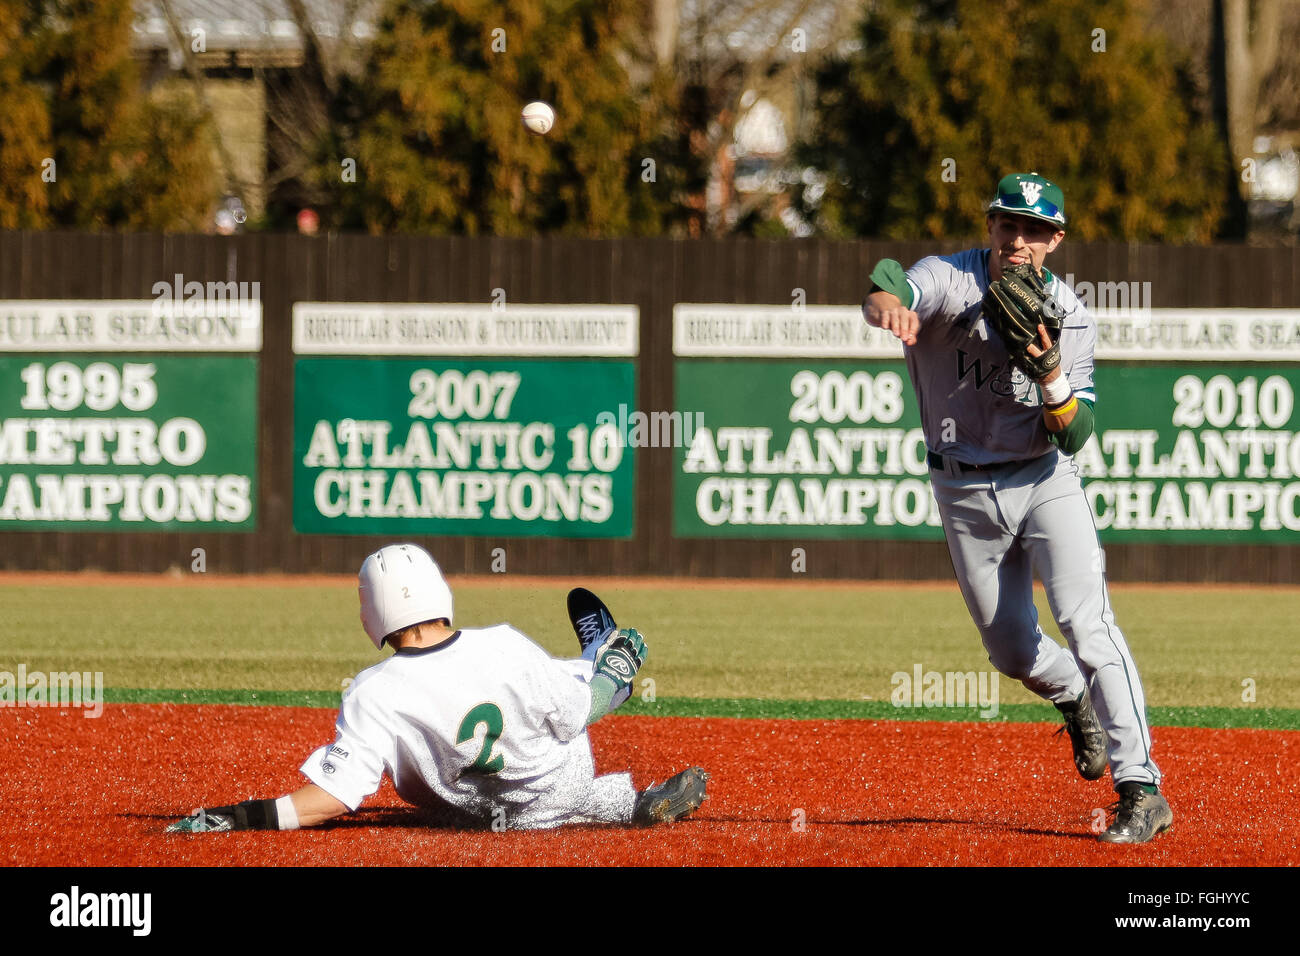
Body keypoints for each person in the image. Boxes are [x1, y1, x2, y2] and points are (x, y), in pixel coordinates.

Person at [862, 173, 1171, 844]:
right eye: (1009, 225)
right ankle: (1072, 696)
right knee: (1009, 651)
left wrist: (1052, 373)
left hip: (1043, 478)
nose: (1019, 241)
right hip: (962, 488)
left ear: (1055, 240)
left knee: (1088, 623)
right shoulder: (952, 280)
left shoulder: (1071, 315)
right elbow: (889, 282)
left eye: (1035, 230)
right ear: (991, 227)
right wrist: (888, 306)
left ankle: (1141, 789)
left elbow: (1076, 434)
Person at [166, 543, 707, 834]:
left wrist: (239, 815)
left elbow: (331, 800)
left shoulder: (371, 692)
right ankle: (605, 662)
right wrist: (612, 681)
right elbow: (579, 714)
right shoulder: (503, 643)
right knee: (572, 693)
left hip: (468, 816)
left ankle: (598, 676)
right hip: (560, 785)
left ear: (373, 612)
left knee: (493, 789)